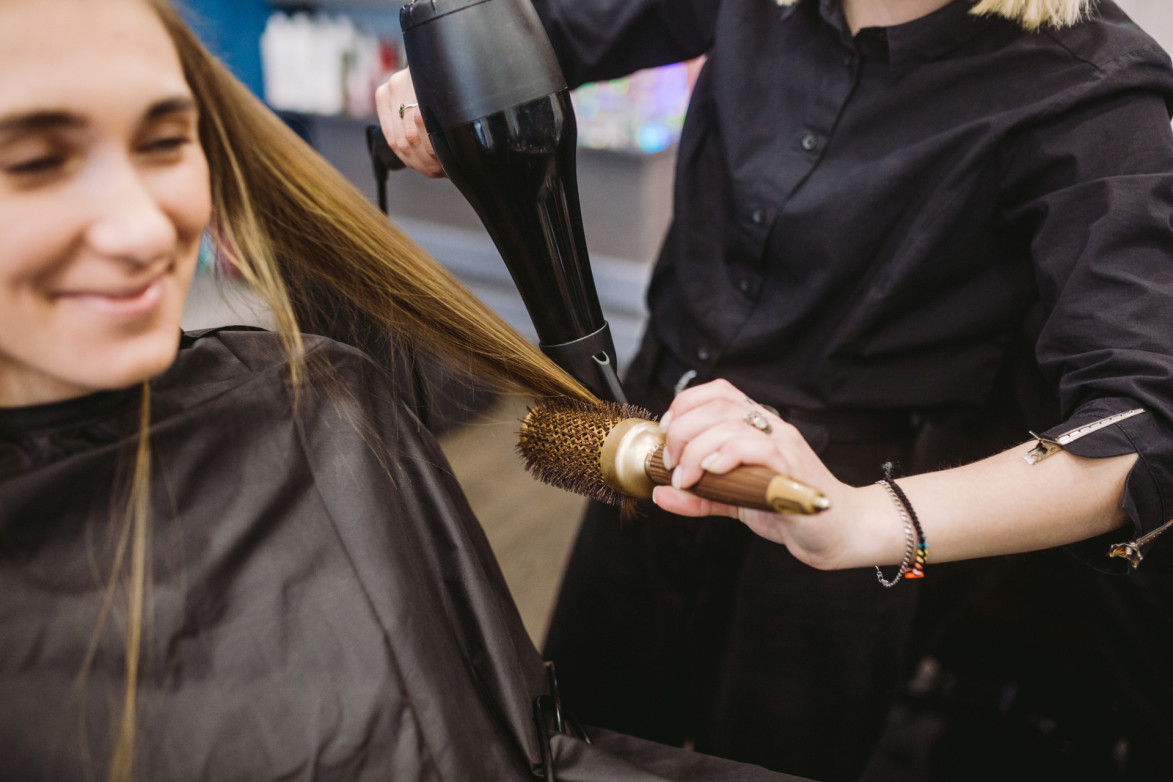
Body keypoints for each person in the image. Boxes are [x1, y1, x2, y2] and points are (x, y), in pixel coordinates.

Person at [0, 2, 818, 781]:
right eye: (35, 161)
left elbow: (512, 733)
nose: (145, 228)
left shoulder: (323, 400)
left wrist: (891, 530)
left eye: (165, 141)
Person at [379, 0, 1173, 779]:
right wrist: (444, 72)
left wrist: (865, 519)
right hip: (650, 436)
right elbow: (543, 31)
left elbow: (1140, 431)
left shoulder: (1093, 87)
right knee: (583, 730)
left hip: (840, 507)